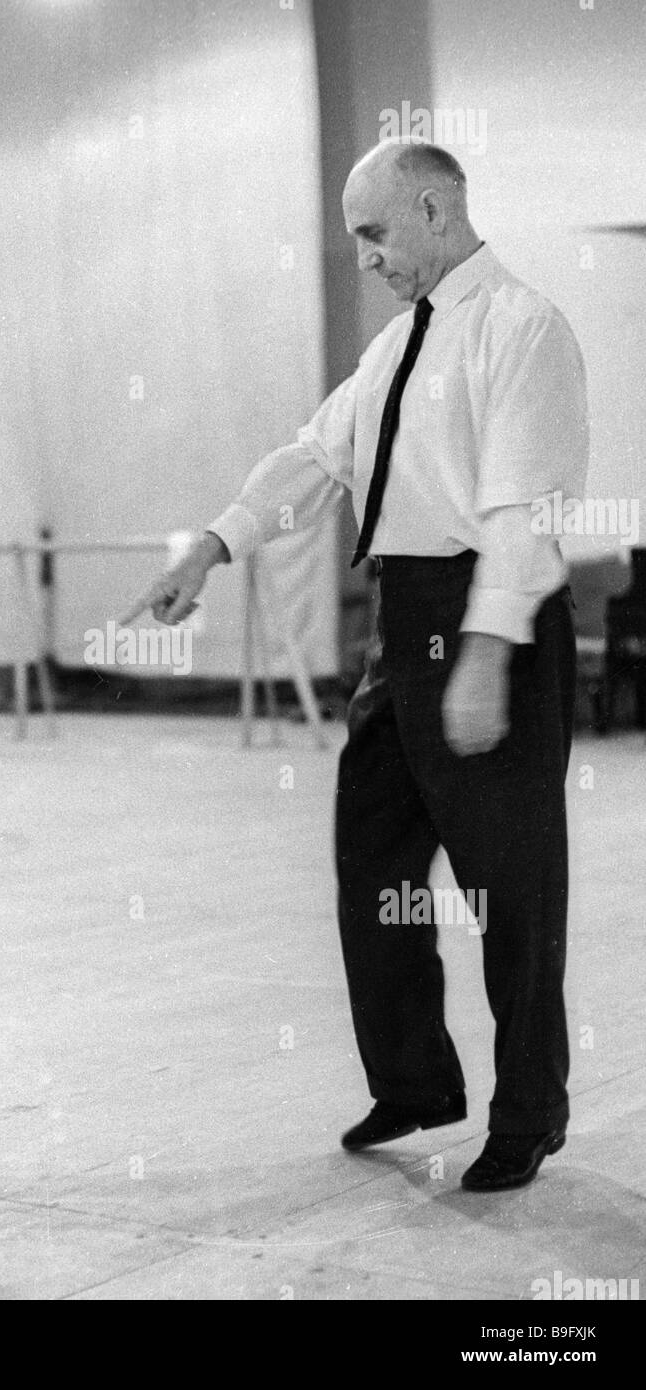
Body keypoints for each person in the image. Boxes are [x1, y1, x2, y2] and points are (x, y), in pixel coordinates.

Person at [123, 139, 589, 1192]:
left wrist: (482, 651)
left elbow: (523, 508)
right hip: (401, 620)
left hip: (490, 622)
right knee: (372, 865)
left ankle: (530, 1111)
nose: (365, 258)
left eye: (373, 233)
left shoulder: (521, 328)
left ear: (432, 210)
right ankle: (418, 1082)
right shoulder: (394, 351)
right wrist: (212, 545)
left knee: (509, 889)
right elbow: (317, 459)